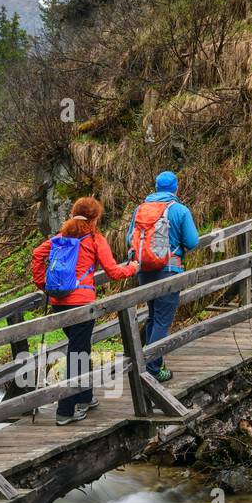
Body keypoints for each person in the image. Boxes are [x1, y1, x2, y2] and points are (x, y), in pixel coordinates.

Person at [32, 196, 139, 425]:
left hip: (59, 303)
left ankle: (85, 396)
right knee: (77, 354)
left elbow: (37, 255)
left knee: (81, 349)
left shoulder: (61, 238)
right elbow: (113, 272)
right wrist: (133, 267)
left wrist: (43, 285)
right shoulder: (94, 238)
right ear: (96, 217)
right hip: (81, 304)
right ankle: (66, 411)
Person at [126, 171, 199, 383]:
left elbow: (129, 238)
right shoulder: (179, 210)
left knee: (152, 316)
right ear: (176, 188)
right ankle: (153, 369)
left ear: (156, 187)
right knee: (162, 320)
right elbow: (192, 241)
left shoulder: (140, 209)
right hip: (169, 270)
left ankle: (149, 363)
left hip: (144, 270)